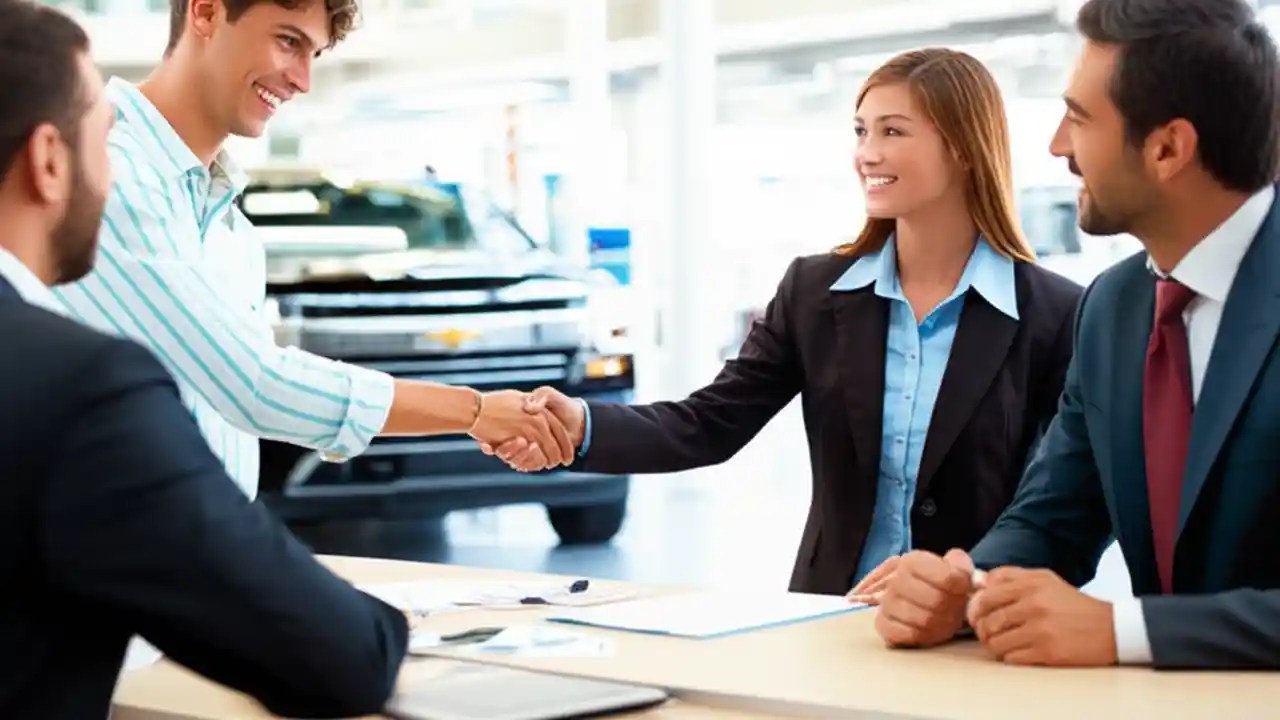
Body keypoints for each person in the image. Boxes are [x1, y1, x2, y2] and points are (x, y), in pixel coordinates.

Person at [488, 48, 1082, 596]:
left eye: (892, 132)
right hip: (830, 615)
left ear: (963, 146)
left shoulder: (1055, 314)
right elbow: (710, 423)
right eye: (861, 131)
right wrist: (581, 424)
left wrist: (968, 582)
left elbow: (1062, 502)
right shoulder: (815, 293)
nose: (866, 153)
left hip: (979, 624)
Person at [0, 2, 409, 717]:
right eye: (102, 138)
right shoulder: (84, 389)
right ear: (48, 160)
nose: (111, 173)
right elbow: (345, 657)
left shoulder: (230, 227)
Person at [873, 0, 1280, 670]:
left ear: (1167, 148)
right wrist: (966, 586)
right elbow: (1052, 518)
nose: (1058, 145)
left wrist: (1126, 631)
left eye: (1080, 118)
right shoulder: (1115, 308)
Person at [51, 0, 574, 503]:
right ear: (206, 10)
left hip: (190, 560)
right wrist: (476, 411)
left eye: (314, 54)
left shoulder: (229, 226)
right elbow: (254, 384)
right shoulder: (109, 175)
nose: (302, 80)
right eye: (287, 41)